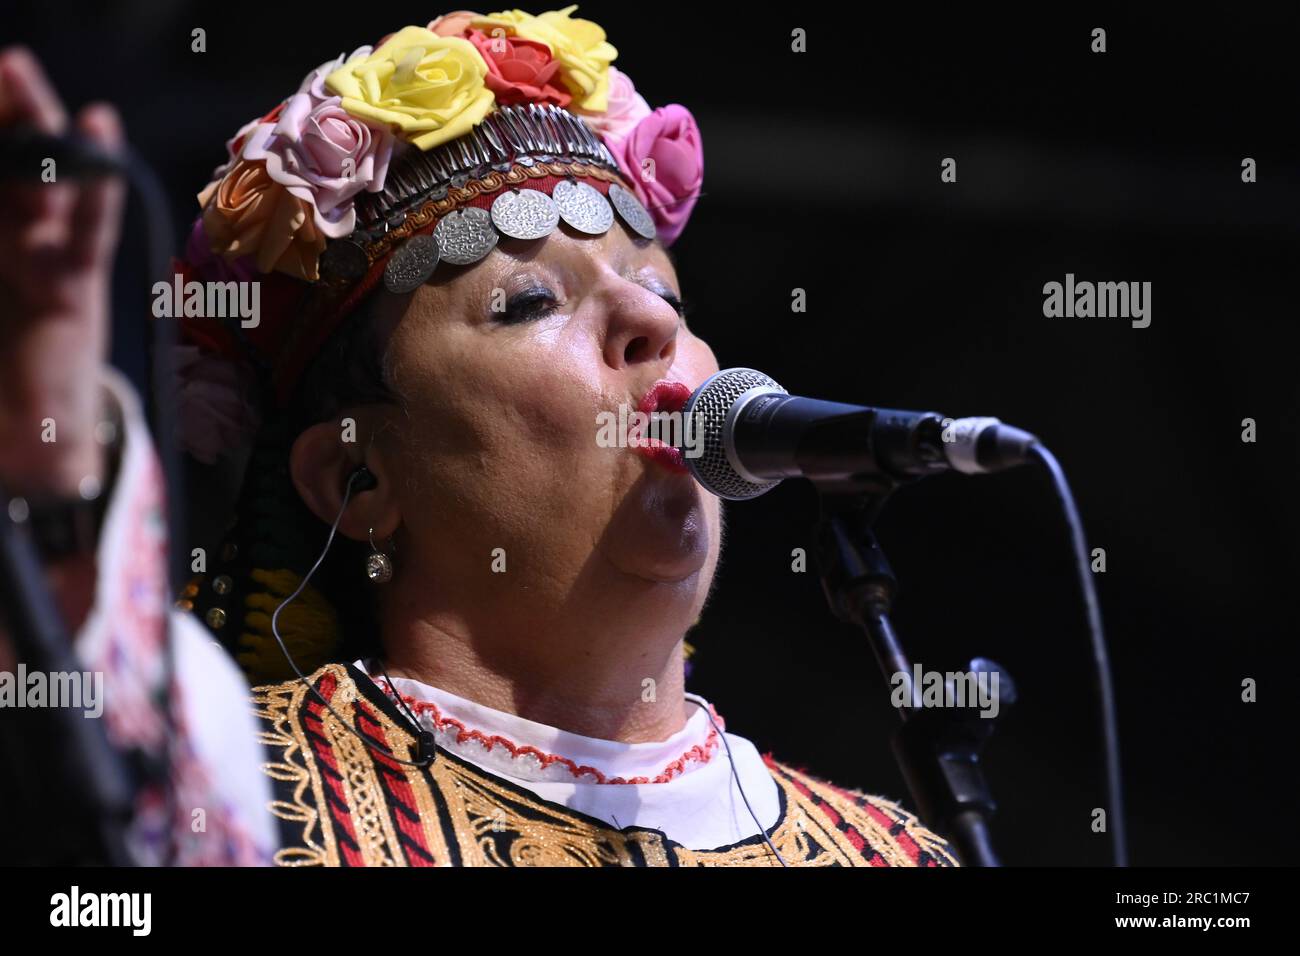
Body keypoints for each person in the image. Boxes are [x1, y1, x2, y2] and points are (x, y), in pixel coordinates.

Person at [0, 7, 959, 867]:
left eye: (664, 291)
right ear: (358, 479)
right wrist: (50, 470)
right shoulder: (250, 792)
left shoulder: (887, 852)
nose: (652, 322)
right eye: (531, 301)